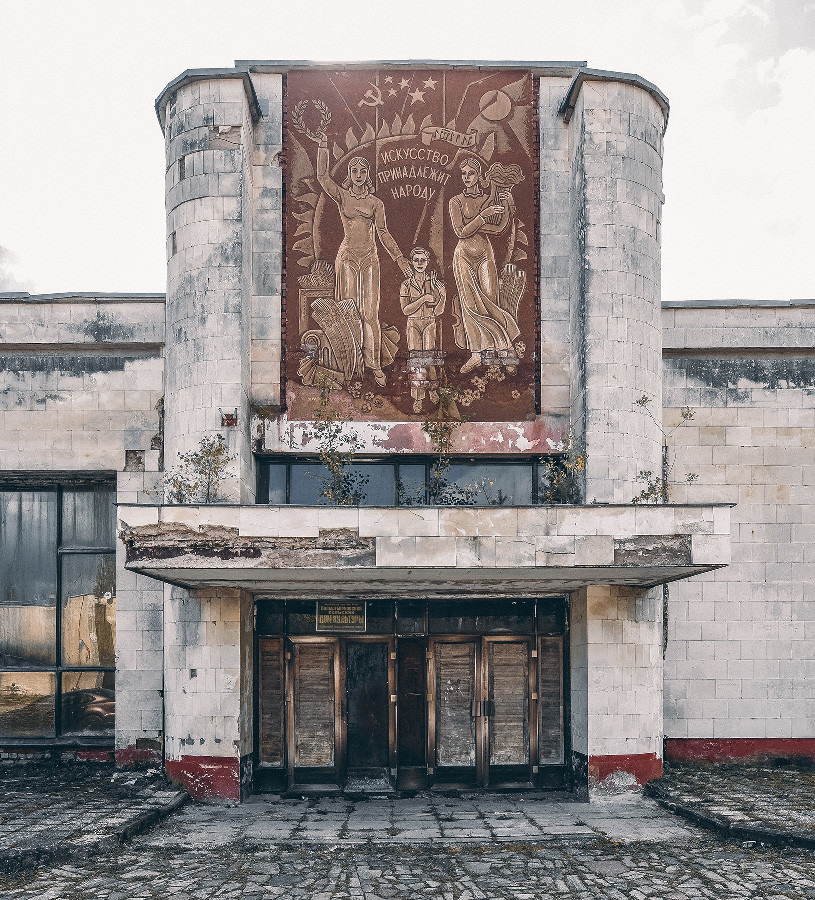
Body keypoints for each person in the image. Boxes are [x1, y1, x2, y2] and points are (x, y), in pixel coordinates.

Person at [313, 135, 411, 387]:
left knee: (370, 314)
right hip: (347, 258)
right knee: (349, 313)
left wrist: (400, 258)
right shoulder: (343, 196)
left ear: (367, 174)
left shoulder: (376, 203)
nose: (357, 174)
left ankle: (374, 365)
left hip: (369, 258)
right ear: (350, 173)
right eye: (353, 170)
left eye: (362, 170)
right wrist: (323, 144)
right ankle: (352, 366)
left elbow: (384, 233)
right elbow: (323, 177)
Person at [448, 156, 520, 374]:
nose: (467, 177)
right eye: (464, 174)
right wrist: (482, 216)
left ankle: (505, 349)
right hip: (463, 256)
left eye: (471, 173)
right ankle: (477, 354)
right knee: (469, 304)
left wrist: (507, 204)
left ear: (480, 176)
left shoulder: (490, 199)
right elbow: (461, 231)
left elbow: (498, 229)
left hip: (484, 254)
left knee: (489, 300)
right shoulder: (456, 201)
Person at [399, 247, 446, 413]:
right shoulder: (406, 284)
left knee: (429, 357)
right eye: (416, 260)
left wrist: (440, 294)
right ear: (411, 262)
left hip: (429, 321)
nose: (419, 263)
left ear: (427, 262)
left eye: (422, 260)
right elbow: (405, 310)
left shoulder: (433, 282)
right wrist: (424, 298)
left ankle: (433, 390)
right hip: (413, 323)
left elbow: (439, 308)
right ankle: (417, 398)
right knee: (416, 360)